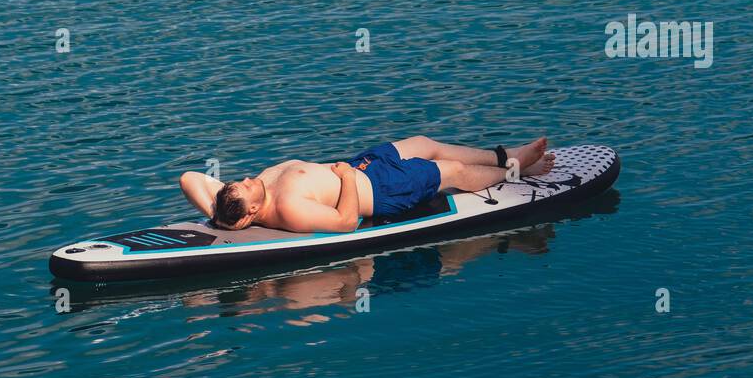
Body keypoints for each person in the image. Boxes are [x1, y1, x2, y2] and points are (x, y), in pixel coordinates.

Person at [180, 135, 555, 234]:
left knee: (425, 144)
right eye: (246, 187)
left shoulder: (243, 198)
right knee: (451, 170)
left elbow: (189, 178)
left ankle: (505, 154)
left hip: (363, 165)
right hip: (378, 191)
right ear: (255, 212)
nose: (247, 179)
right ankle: (519, 171)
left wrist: (218, 214)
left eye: (240, 181)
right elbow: (346, 222)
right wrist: (345, 178)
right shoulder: (287, 207)